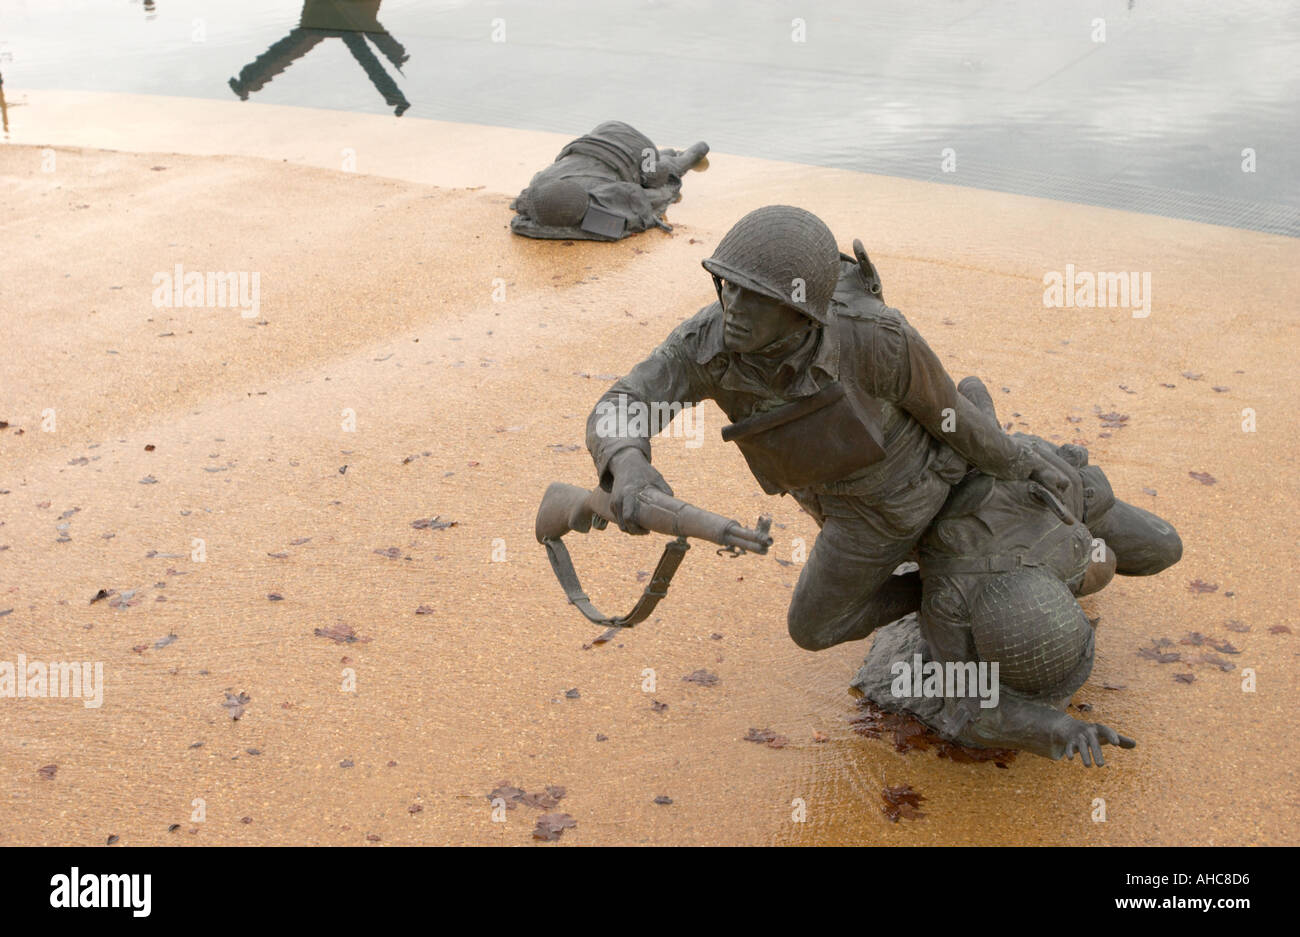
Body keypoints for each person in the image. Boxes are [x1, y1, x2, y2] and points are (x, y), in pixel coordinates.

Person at [586, 205, 1077, 651]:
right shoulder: (706, 344)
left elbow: (952, 415)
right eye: (727, 285)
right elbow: (625, 401)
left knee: (815, 628)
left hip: (910, 490)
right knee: (815, 629)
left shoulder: (877, 338)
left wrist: (1024, 465)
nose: (733, 307)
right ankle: (931, 588)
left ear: (801, 310)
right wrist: (627, 462)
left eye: (756, 296)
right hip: (846, 511)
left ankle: (946, 578)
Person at [511, 121, 708, 241]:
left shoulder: (608, 194)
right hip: (601, 135)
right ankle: (661, 156)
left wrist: (667, 187)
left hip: (641, 149)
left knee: (657, 177)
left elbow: (652, 197)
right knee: (652, 165)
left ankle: (685, 159)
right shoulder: (541, 184)